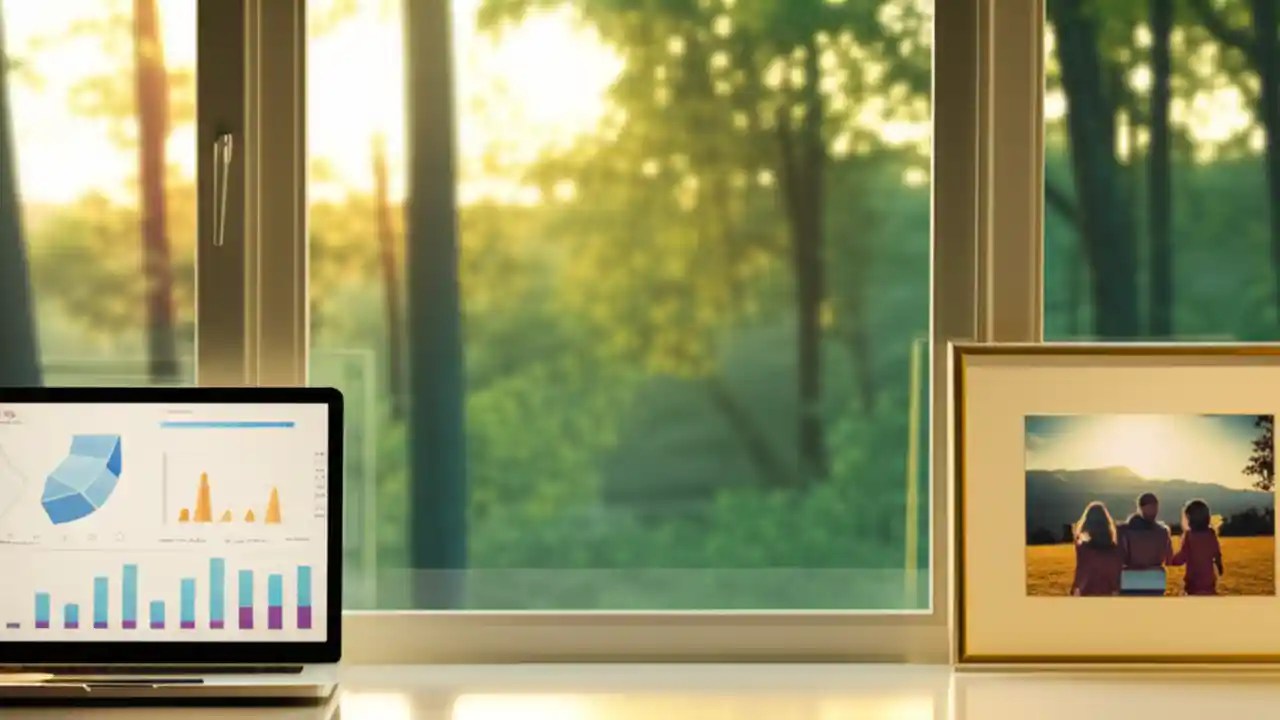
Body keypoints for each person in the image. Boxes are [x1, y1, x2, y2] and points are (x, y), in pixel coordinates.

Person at [1118, 492, 1173, 596]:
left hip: (1130, 580)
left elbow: (1119, 558)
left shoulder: (1123, 530)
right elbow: (1169, 560)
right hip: (1155, 581)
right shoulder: (1163, 531)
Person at [1169, 499, 1224, 596]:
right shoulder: (1211, 534)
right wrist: (1219, 566)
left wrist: (1170, 560)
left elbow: (1182, 556)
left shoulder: (1189, 536)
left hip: (1193, 582)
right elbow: (1216, 553)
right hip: (1209, 581)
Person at [1071, 501, 1122, 596]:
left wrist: (1076, 587)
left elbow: (1081, 569)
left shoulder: (1083, 547)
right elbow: (1114, 571)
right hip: (1107, 590)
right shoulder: (1113, 549)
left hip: (1086, 589)